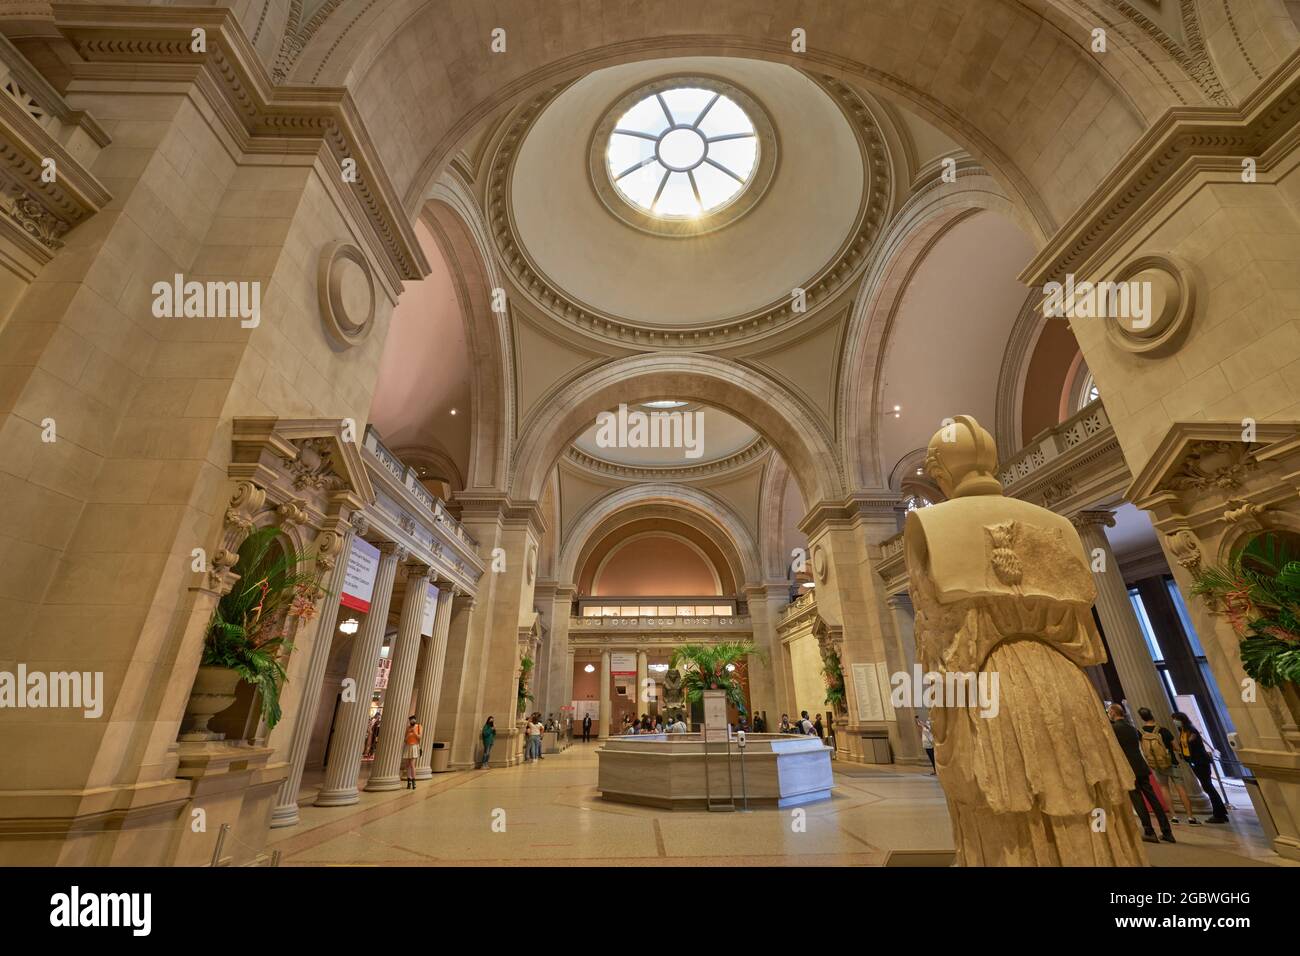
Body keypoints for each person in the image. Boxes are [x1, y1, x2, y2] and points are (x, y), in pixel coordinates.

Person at [1108, 704, 1175, 844]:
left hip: (1129, 768)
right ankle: (1166, 830)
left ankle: (1149, 831)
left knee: (1138, 801)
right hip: (1140, 766)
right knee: (1153, 798)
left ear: (1114, 712)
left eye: (1109, 711)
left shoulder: (1114, 730)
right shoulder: (1133, 729)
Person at [1137, 707, 1197, 825]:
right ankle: (1190, 817)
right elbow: (1175, 747)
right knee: (1181, 789)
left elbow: (1143, 748)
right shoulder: (1163, 730)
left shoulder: (1141, 732)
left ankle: (1173, 816)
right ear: (1152, 715)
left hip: (1156, 764)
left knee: (1164, 788)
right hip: (1171, 762)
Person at [1172, 711, 1229, 823]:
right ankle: (1221, 812)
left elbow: (1190, 744)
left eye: (1175, 719)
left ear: (1181, 720)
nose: (1174, 722)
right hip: (1194, 761)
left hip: (1200, 761)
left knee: (1208, 787)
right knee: (1208, 787)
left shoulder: (1191, 731)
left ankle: (1219, 814)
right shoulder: (1183, 731)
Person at [403, 715, 422, 789]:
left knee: (412, 764)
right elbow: (405, 739)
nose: (412, 721)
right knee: (407, 765)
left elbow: (419, 737)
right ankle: (409, 781)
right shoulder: (408, 728)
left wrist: (414, 732)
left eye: (413, 720)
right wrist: (408, 734)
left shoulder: (418, 726)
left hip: (414, 746)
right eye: (411, 720)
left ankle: (414, 781)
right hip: (408, 746)